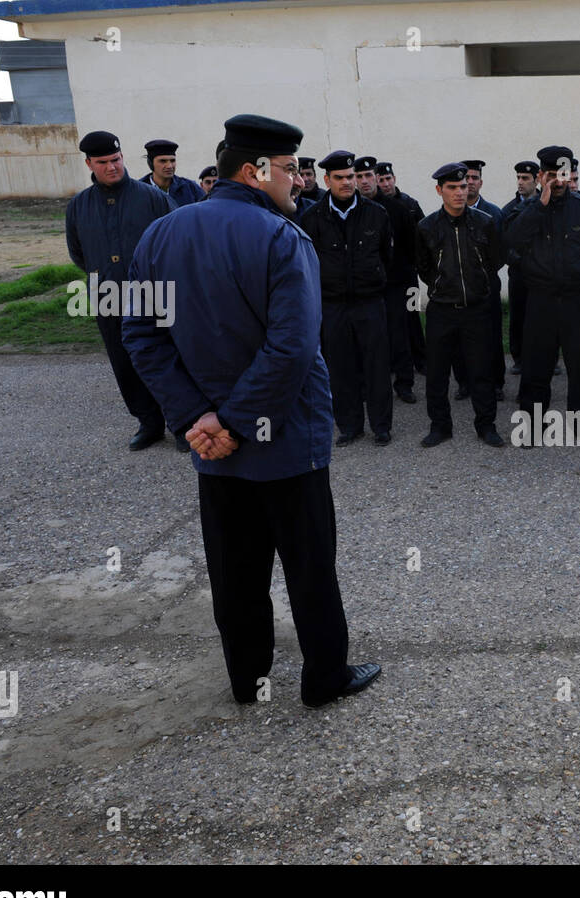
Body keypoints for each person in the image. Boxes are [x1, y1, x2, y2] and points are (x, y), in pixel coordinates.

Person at [122, 113, 381, 708]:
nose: (300, 181)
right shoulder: (281, 238)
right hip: (287, 443)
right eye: (290, 170)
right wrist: (234, 421)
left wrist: (199, 420)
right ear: (254, 170)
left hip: (213, 449)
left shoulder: (160, 235)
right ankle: (324, 680)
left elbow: (141, 334)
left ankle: (249, 680)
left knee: (234, 571)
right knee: (310, 566)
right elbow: (291, 347)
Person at [65, 129, 180, 452]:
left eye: (115, 159)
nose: (111, 167)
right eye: (102, 162)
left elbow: (174, 242)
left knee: (169, 355)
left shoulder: (153, 198)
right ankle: (149, 423)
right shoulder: (78, 206)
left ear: (123, 157)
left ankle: (184, 421)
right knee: (123, 360)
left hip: (155, 292)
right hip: (107, 295)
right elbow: (78, 253)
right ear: (89, 163)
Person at [504, 145, 580, 428]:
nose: (558, 181)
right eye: (551, 175)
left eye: (563, 174)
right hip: (541, 300)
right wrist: (541, 204)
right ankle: (533, 427)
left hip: (576, 301)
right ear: (540, 176)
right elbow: (512, 240)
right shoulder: (524, 210)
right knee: (536, 367)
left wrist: (578, 269)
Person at [300, 150, 395, 445]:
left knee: (377, 366)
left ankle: (381, 426)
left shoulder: (376, 213)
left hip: (369, 303)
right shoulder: (312, 218)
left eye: (350, 177)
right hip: (333, 305)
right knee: (340, 368)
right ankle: (350, 425)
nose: (347, 183)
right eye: (339, 178)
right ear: (327, 180)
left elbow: (386, 256)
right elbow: (308, 264)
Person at [414, 162, 504, 448]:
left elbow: (495, 260)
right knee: (437, 374)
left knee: (481, 371)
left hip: (476, 309)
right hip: (442, 310)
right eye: (452, 187)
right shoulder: (426, 227)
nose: (459, 193)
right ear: (439, 190)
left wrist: (477, 286)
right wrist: (444, 286)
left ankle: (486, 426)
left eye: (463, 186)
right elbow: (423, 268)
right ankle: (440, 426)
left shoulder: (484, 222)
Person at [454, 159, 507, 402]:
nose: (471, 183)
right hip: (458, 287)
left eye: (475, 179)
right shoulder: (450, 211)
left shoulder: (494, 213)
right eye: (467, 180)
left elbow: (500, 252)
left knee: (491, 334)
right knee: (460, 335)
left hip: (486, 285)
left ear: (481, 182)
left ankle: (496, 382)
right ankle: (464, 382)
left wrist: (481, 274)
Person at [376, 161, 428, 381]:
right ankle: (394, 362)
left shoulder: (410, 204)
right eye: (381, 180)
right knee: (390, 321)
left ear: (394, 179)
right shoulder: (377, 206)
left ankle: (421, 360)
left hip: (409, 278)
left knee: (412, 317)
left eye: (389, 179)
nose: (386, 183)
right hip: (388, 278)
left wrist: (416, 265)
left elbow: (423, 238)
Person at [501, 160, 540, 375]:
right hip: (519, 272)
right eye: (518, 178)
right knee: (518, 316)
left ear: (536, 180)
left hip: (543, 272)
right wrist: (516, 260)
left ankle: (549, 359)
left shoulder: (548, 204)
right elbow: (505, 242)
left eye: (525, 178)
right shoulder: (509, 209)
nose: (520, 182)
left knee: (544, 318)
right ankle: (519, 358)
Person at [139, 139, 205, 206]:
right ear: (150, 163)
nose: (169, 166)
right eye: (163, 161)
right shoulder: (139, 190)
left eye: (172, 161)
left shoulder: (191, 188)